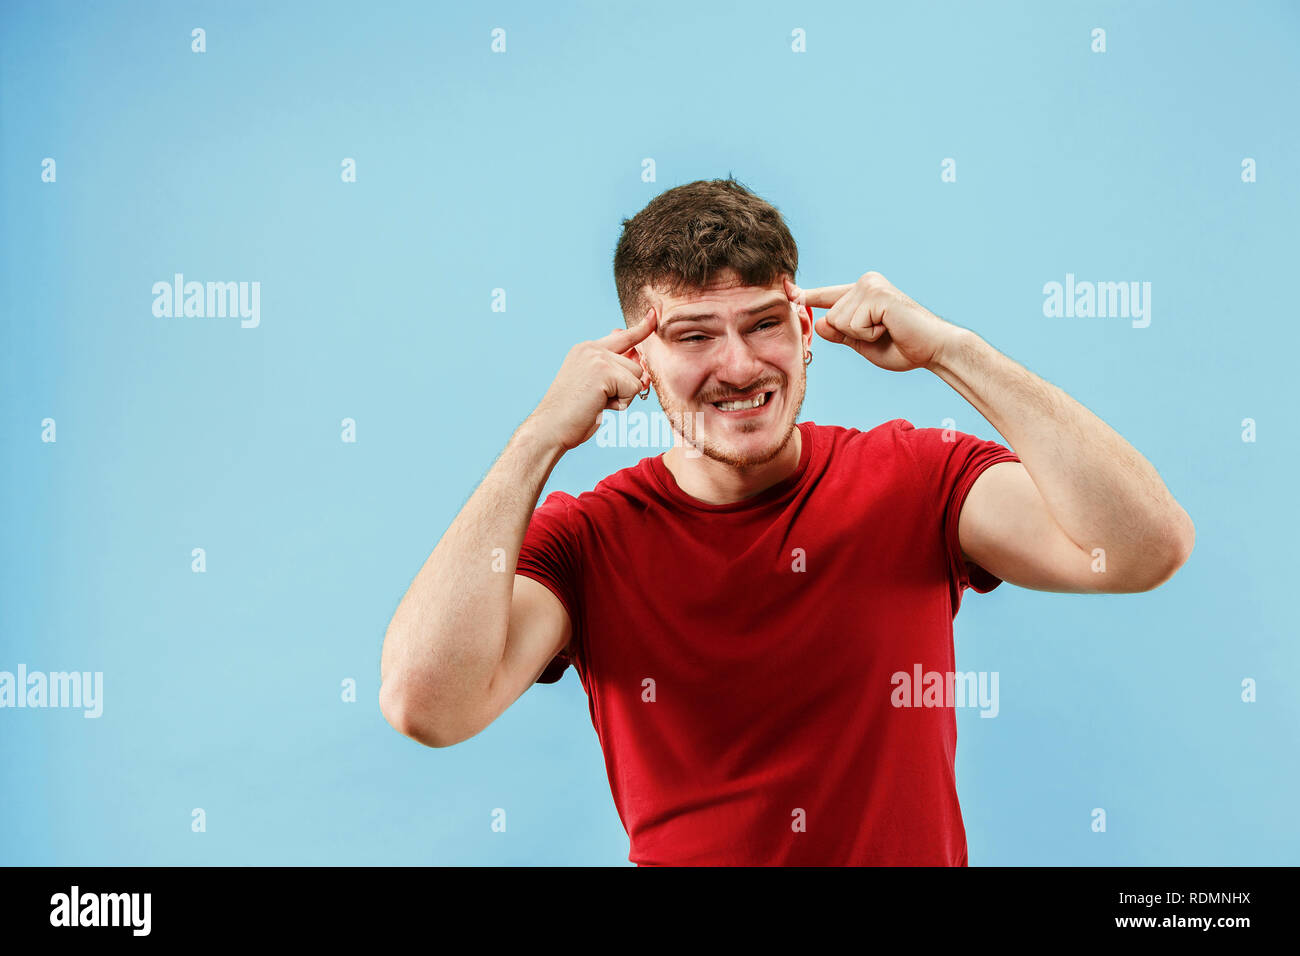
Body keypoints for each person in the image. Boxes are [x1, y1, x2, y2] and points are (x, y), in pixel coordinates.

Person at [379, 177, 1194, 866]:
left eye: (765, 323)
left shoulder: (915, 476)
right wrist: (538, 438)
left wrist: (953, 350)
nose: (739, 366)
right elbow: (428, 706)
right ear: (636, 365)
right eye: (693, 335)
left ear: (807, 331)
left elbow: (1142, 550)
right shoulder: (588, 540)